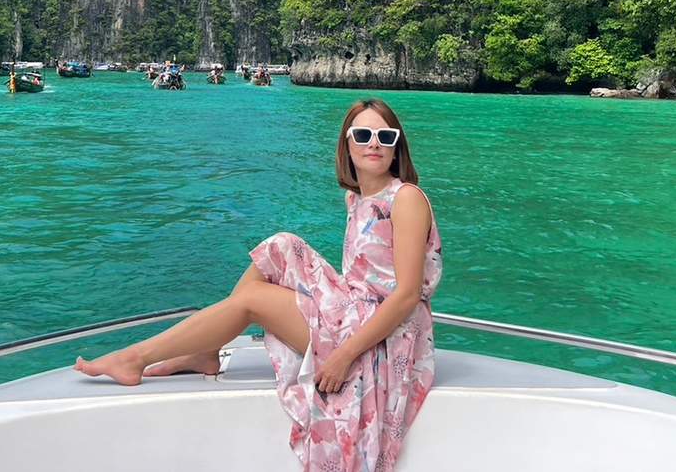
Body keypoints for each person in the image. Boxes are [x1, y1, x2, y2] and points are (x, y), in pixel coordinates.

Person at [74, 98, 442, 472]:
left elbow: (407, 296)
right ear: (347, 145)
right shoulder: (357, 199)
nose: (374, 143)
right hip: (354, 309)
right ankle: (204, 349)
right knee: (281, 245)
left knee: (252, 300)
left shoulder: (406, 198)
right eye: (363, 135)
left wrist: (345, 355)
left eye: (385, 135)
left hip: (389, 338)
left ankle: (137, 358)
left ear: (397, 146)